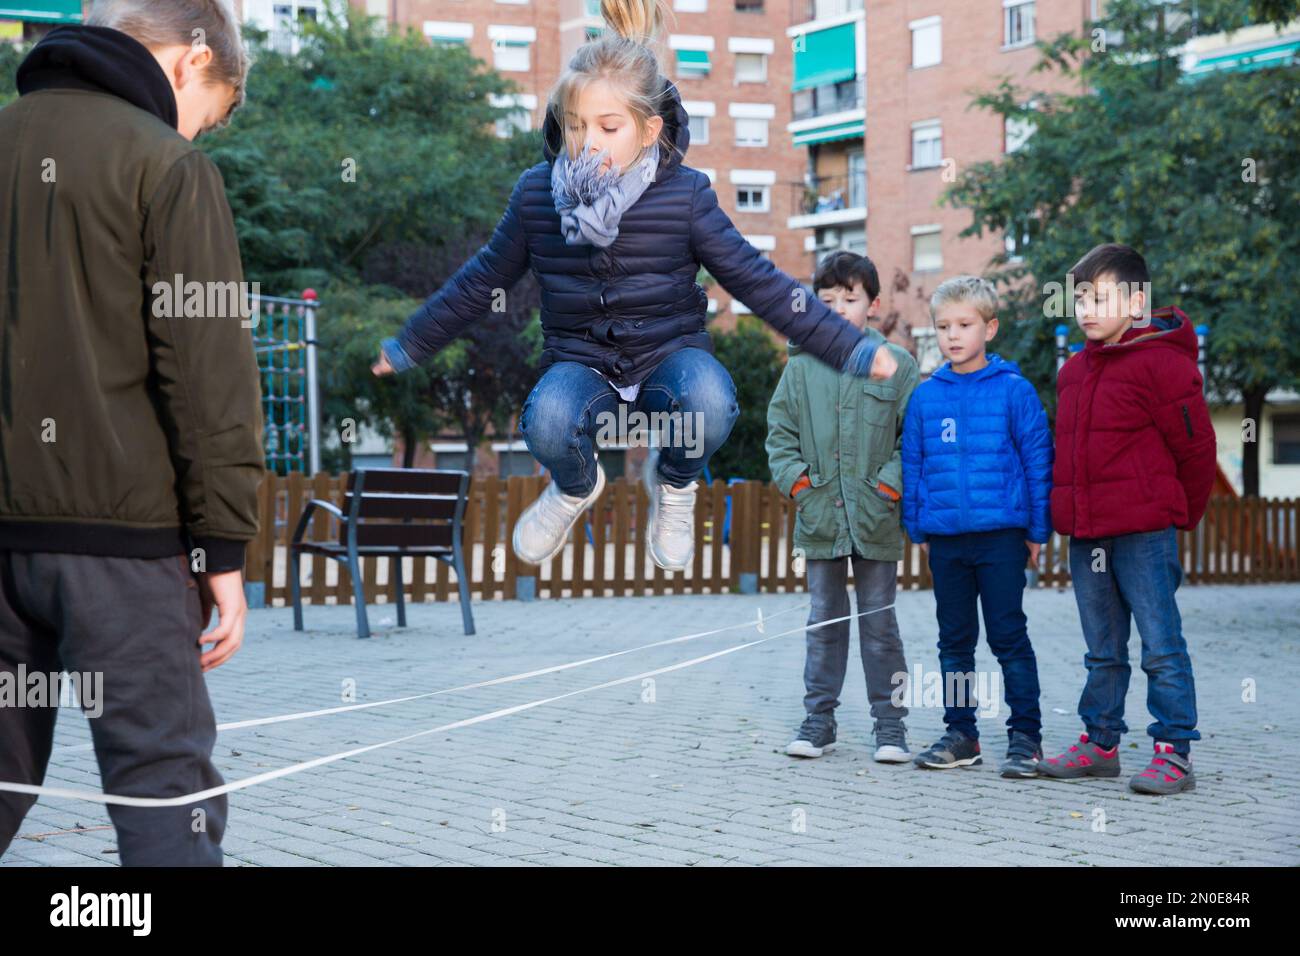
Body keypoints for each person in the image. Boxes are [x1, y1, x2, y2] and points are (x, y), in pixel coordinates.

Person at [373, 0, 896, 574]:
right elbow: (481, 280)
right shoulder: (535, 195)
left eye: (607, 126)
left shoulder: (686, 196)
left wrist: (849, 348)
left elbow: (757, 280)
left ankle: (674, 486)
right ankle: (574, 487)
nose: (586, 141)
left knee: (711, 401)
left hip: (669, 360)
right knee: (545, 419)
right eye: (574, 125)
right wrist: (410, 344)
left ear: (649, 131)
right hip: (581, 364)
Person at [0, 0, 263, 865]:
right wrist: (223, 549)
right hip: (123, 545)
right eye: (211, 114)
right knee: (162, 788)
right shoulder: (165, 166)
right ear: (191, 61)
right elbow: (205, 374)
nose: (202, 134)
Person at [1040, 243, 1216, 795]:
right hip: (1088, 534)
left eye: (1102, 297)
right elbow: (1065, 455)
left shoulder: (1164, 365)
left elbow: (1196, 451)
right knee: (1102, 648)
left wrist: (1173, 513)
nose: (1088, 309)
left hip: (1144, 532)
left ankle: (1174, 749)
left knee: (1161, 644)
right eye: (1081, 299)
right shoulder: (1073, 373)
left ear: (1137, 301)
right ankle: (1101, 742)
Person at [767, 252, 919, 762]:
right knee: (824, 623)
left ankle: (891, 726)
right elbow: (780, 439)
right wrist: (802, 489)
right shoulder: (800, 368)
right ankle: (819, 721)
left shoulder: (897, 366)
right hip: (820, 518)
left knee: (881, 627)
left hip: (876, 516)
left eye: (848, 300)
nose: (836, 309)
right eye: (825, 301)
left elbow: (912, 442)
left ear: (872, 305)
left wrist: (888, 489)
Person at [902, 276, 1053, 778]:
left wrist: (1037, 529)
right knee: (954, 641)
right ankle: (962, 734)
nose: (952, 335)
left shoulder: (1015, 391)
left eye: (964, 325)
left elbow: (1037, 460)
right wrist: (918, 529)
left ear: (989, 327)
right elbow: (914, 463)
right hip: (946, 539)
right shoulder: (926, 397)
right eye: (943, 326)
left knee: (1009, 637)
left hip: (1002, 538)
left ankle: (1025, 737)